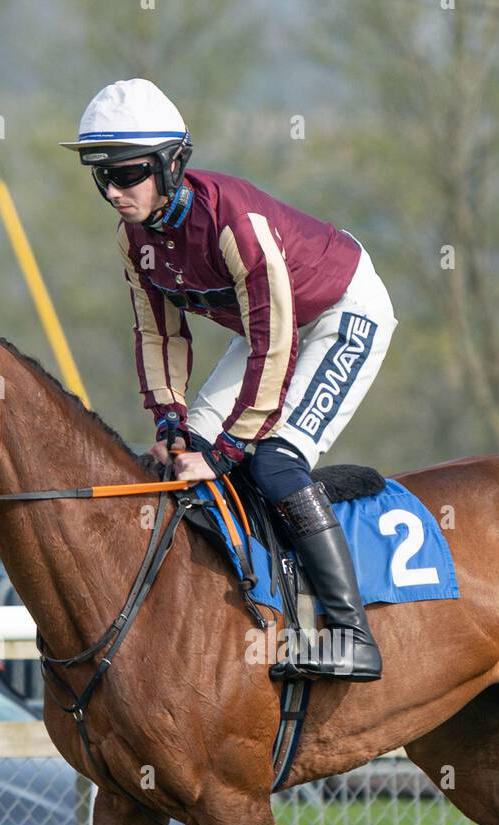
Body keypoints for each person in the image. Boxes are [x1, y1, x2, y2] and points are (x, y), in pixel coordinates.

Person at [61, 78, 397, 682]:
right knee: (176, 460)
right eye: (101, 176)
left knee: (271, 460)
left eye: (128, 173)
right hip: (271, 329)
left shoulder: (234, 223)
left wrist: (226, 451)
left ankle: (351, 635)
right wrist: (170, 423)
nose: (114, 191)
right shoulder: (133, 240)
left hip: (341, 310)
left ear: (171, 163)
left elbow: (276, 345)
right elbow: (158, 335)